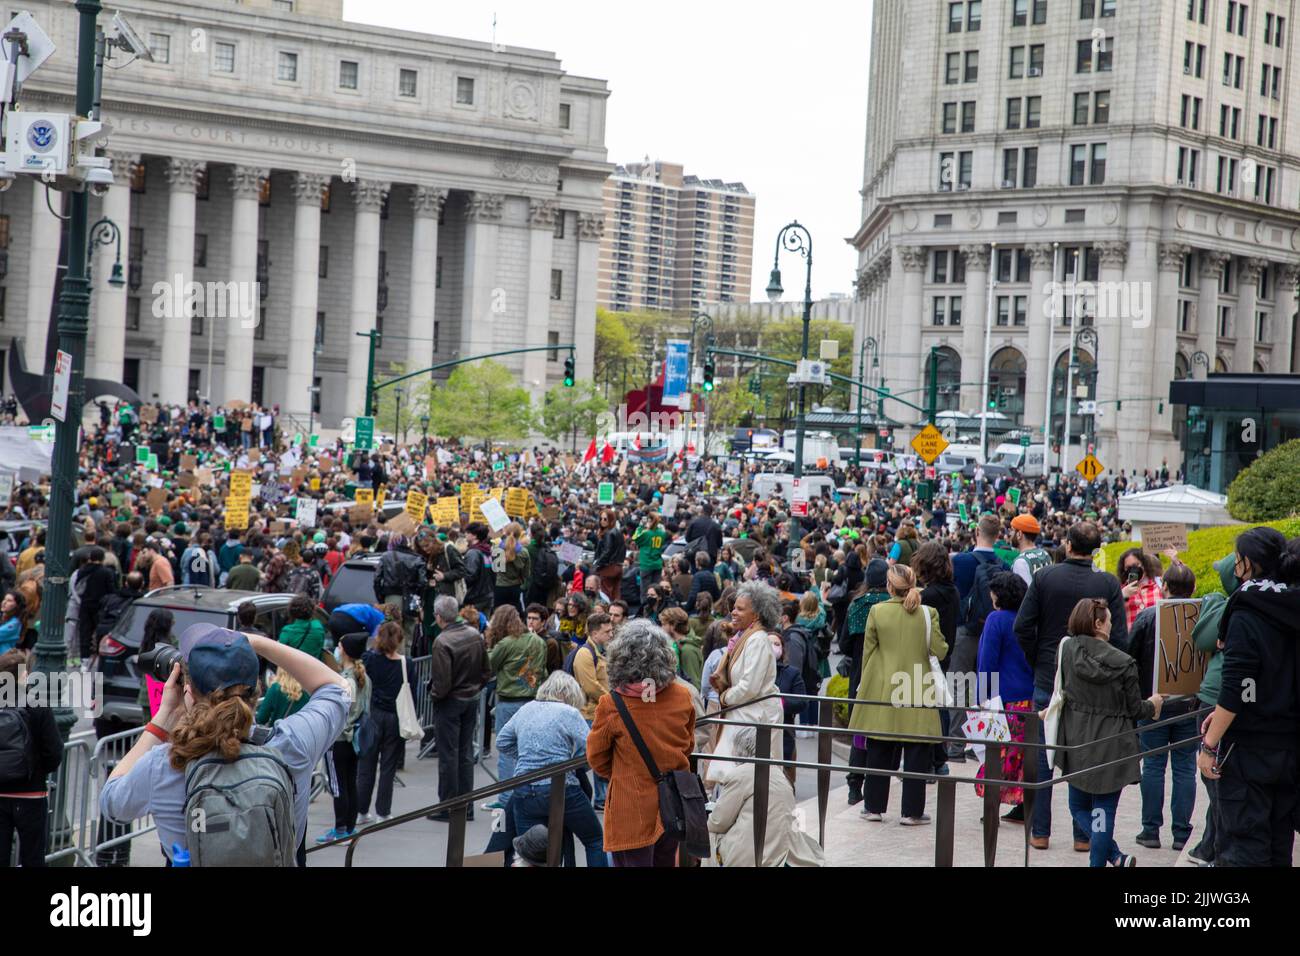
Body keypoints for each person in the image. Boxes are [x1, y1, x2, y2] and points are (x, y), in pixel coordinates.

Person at [100, 625, 348, 865]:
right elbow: (338, 689)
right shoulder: (291, 745)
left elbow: (112, 803)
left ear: (189, 692)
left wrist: (163, 717)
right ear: (257, 690)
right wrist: (256, 643)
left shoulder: (164, 764)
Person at [1014, 521, 1128, 851]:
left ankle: (1039, 831)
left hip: (1049, 678)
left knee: (1042, 759)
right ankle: (1084, 836)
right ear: (1094, 550)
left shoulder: (1045, 577)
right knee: (1088, 757)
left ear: (1066, 544)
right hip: (1092, 683)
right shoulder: (1106, 582)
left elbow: (1023, 626)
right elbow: (1119, 637)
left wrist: (1040, 657)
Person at [1197, 529, 1300, 868]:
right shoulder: (1291, 604)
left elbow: (1239, 685)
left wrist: (1210, 744)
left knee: (1244, 849)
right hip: (1288, 748)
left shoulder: (1247, 610)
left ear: (1247, 563)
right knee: (1278, 845)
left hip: (1248, 750)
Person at [1053, 598, 1162, 868]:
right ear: (1098, 624)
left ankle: (1110, 857)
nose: (1113, 625)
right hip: (1113, 743)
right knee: (1103, 810)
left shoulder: (1067, 649)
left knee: (1077, 806)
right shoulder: (1124, 662)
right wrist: (1155, 705)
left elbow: (1061, 691)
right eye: (1110, 620)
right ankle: (1111, 857)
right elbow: (1135, 708)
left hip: (1076, 739)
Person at [586, 619, 695, 867]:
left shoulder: (612, 703)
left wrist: (624, 772)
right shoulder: (681, 696)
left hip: (630, 806)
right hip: (673, 801)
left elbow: (597, 759)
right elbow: (688, 745)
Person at [848, 564, 947, 825]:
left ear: (890, 586)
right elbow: (940, 649)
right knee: (917, 752)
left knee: (879, 747)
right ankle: (912, 812)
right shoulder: (928, 613)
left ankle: (873, 807)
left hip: (884, 686)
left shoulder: (877, 612)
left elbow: (868, 653)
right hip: (918, 686)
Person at [496, 671, 608, 867]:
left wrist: (527, 757)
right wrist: (576, 763)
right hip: (562, 789)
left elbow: (502, 742)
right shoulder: (568, 713)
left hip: (524, 788)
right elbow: (592, 748)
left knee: (530, 851)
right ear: (566, 694)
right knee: (594, 839)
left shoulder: (526, 709)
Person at [1126, 556, 1198, 852]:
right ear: (1192, 590)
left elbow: (1129, 657)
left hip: (1154, 703)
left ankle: (1150, 830)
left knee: (1153, 765)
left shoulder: (1147, 616)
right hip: (1190, 705)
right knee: (1185, 769)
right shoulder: (1202, 617)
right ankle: (1181, 833)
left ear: (1164, 586)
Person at [1185, 553, 1238, 867]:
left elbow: (1203, 638)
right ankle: (1210, 844)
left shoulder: (1230, 604)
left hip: (1217, 697)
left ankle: (1216, 848)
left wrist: (1213, 602)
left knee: (1212, 773)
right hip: (1232, 696)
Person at [707, 726, 822, 868]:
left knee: (709, 834)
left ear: (738, 749)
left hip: (753, 852)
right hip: (785, 850)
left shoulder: (741, 775)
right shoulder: (779, 773)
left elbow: (718, 821)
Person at [706, 582, 783, 788]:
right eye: (734, 607)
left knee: (746, 783)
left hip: (752, 718)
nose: (733, 612)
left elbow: (749, 687)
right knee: (739, 781)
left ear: (756, 615)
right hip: (746, 716)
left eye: (740, 609)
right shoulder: (749, 638)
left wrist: (724, 697)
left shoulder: (757, 640)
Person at [948, 516, 1009, 763]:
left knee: (959, 685)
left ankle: (955, 746)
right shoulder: (1003, 564)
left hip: (964, 630)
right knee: (986, 687)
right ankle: (981, 745)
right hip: (992, 632)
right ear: (998, 535)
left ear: (976, 532)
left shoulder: (960, 562)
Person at [974, 571, 1033, 820]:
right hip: (1030, 697)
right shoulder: (1028, 618)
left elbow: (987, 661)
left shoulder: (996, 619)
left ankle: (991, 807)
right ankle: (1023, 807)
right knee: (1021, 758)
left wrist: (981, 697)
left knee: (996, 754)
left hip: (1004, 699)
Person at [427, 596, 491, 821]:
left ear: (438, 616)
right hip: (469, 698)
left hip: (451, 701)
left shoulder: (443, 642)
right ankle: (465, 806)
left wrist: (435, 696)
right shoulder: (474, 635)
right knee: (464, 754)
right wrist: (473, 689)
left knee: (449, 756)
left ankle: (449, 807)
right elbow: (486, 671)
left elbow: (442, 684)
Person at [0, 649, 63, 867]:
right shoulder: (37, 705)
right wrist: (36, 770)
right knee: (33, 857)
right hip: (31, 793)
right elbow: (54, 752)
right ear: (22, 676)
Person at [484, 604, 546, 809]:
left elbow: (489, 665)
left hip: (509, 701)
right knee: (528, 751)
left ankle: (505, 799)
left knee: (506, 752)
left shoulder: (506, 643)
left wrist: (490, 642)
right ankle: (528, 794)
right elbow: (541, 670)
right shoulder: (538, 641)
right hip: (532, 700)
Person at [357, 621, 418, 827]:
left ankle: (361, 810)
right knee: (388, 766)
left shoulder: (370, 660)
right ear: (399, 640)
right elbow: (413, 692)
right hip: (395, 717)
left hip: (373, 715)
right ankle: (383, 811)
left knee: (366, 765)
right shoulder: (406, 663)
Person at [843, 558, 890, 804]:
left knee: (860, 731)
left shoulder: (857, 605)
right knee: (882, 732)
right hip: (887, 674)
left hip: (860, 674)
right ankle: (876, 783)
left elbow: (843, 644)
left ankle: (854, 785)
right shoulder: (893, 606)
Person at [317, 632, 371, 844]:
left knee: (338, 785)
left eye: (339, 646)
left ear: (345, 651)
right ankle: (348, 827)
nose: (336, 650)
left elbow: (341, 710)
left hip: (339, 739)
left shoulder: (345, 680)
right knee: (350, 782)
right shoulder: (363, 676)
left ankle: (340, 829)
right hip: (355, 739)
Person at [574, 609, 613, 809]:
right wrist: (612, 699)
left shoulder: (599, 652)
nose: (610, 635)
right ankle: (579, 793)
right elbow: (590, 686)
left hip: (600, 711)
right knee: (584, 759)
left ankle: (600, 798)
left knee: (601, 755)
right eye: (607, 631)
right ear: (595, 632)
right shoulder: (585, 654)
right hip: (589, 713)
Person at [373, 534, 427, 650]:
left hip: (392, 597)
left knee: (391, 631)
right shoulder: (417, 558)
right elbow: (423, 583)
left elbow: (377, 579)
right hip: (412, 598)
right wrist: (420, 601)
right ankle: (406, 662)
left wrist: (381, 598)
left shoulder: (386, 556)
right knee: (409, 632)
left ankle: (395, 660)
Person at [1116, 547, 1162, 630]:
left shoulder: (1158, 586)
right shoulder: (1119, 590)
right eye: (1128, 568)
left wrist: (1175, 560)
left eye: (1136, 565)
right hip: (1131, 640)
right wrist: (1122, 596)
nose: (1133, 570)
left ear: (1144, 564)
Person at [492, 522, 531, 613]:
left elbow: (495, 570)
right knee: (513, 616)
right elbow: (526, 574)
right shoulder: (524, 552)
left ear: (505, 532)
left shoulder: (496, 548)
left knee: (499, 615)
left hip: (500, 587)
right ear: (519, 534)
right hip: (515, 588)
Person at [632, 512, 669, 603]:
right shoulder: (662, 533)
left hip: (646, 564)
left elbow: (635, 538)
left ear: (650, 521)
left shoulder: (646, 533)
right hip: (657, 564)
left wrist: (640, 526)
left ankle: (645, 609)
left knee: (645, 591)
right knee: (656, 590)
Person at [461, 522, 496, 612]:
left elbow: (470, 576)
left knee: (473, 625)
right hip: (488, 595)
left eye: (468, 532)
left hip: (475, 599)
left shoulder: (473, 552)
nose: (465, 534)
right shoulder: (487, 550)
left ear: (475, 536)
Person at [593, 509, 626, 602]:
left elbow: (607, 551)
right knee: (616, 593)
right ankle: (617, 612)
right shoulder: (617, 531)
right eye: (601, 519)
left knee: (605, 593)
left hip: (609, 567)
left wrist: (597, 564)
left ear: (611, 520)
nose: (602, 521)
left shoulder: (609, 533)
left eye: (605, 519)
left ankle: (608, 613)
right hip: (618, 566)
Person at [1009, 514, 1053, 585]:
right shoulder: (1045, 553)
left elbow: (1025, 594)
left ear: (1019, 534)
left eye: (1012, 530)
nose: (1010, 534)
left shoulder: (1021, 562)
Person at [0, 591, 25, 655]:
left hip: (6, 661)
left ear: (17, 605)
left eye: (9, 600)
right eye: (4, 599)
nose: (4, 602)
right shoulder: (3, 618)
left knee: (22, 664)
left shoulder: (15, 623)